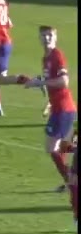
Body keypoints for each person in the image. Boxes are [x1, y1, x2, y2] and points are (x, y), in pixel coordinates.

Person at [22, 26, 76, 192]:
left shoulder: (56, 55)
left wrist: (41, 83)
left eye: (50, 35)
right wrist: (38, 83)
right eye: (43, 36)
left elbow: (64, 81)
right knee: (61, 146)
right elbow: (51, 81)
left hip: (64, 109)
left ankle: (70, 181)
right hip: (60, 109)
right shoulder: (45, 58)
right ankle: (71, 180)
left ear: (55, 37)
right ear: (39, 38)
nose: (47, 38)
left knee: (51, 147)